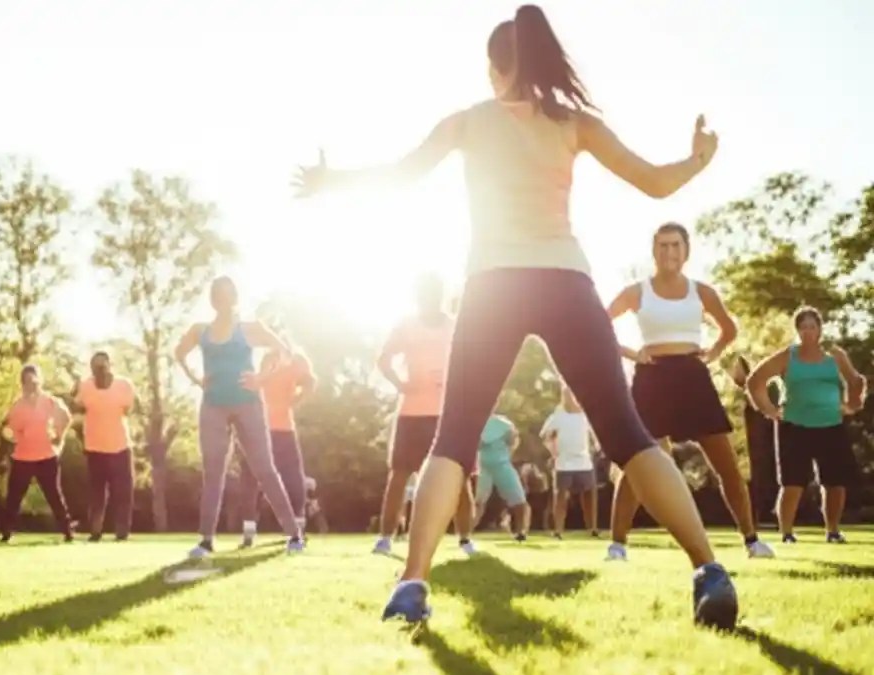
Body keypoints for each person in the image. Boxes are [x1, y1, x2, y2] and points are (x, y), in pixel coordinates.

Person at [295, 4, 739, 628]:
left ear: (492, 69)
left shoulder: (469, 122)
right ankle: (709, 570)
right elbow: (657, 183)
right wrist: (699, 159)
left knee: (452, 438)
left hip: (494, 285)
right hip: (565, 281)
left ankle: (412, 584)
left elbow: (399, 177)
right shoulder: (572, 122)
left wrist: (329, 181)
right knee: (627, 432)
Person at [605, 222, 773, 561]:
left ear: (686, 251)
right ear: (654, 251)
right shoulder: (637, 291)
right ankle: (618, 545)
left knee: (726, 465)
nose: (670, 252)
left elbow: (729, 329)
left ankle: (752, 541)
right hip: (651, 379)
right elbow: (599, 322)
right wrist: (631, 352)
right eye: (663, 246)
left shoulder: (702, 292)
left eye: (676, 246)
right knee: (638, 464)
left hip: (693, 378)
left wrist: (711, 354)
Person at [173, 276, 305, 558]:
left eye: (227, 295)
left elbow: (285, 351)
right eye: (217, 295)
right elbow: (179, 353)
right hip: (213, 406)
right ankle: (206, 540)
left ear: (234, 298)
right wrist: (197, 379)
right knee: (213, 473)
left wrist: (262, 378)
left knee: (265, 469)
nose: (223, 300)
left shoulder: (249, 329)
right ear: (212, 300)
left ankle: (294, 534)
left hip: (248, 405)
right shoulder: (200, 331)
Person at [746, 306, 866, 544]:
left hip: (831, 425)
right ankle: (787, 533)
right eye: (803, 327)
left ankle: (833, 531)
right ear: (798, 330)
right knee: (792, 483)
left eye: (813, 326)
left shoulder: (835, 355)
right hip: (794, 426)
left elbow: (856, 380)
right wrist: (768, 409)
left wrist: (852, 404)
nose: (808, 332)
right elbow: (754, 380)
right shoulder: (786, 356)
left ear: (820, 329)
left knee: (835, 482)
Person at [375, 275, 475, 557]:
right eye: (424, 293)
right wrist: (401, 384)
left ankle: (465, 540)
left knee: (460, 476)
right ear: (417, 295)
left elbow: (470, 364)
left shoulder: (456, 327)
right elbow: (383, 360)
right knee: (399, 475)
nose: (428, 297)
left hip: (449, 414)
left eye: (433, 292)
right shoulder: (406, 325)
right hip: (411, 413)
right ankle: (385, 539)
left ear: (440, 294)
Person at [237, 341, 316, 548]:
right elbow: (310, 383)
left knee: (288, 477)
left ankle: (294, 526)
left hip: (275, 428)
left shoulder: (293, 359)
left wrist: (294, 401)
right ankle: (250, 530)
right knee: (253, 478)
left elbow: (309, 383)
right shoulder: (268, 359)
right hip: (262, 426)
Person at [1, 365, 74, 543]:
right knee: (14, 497)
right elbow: (9, 429)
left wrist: (59, 438)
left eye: (34, 381)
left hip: (47, 456)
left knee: (54, 495)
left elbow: (66, 418)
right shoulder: (18, 406)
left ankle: (67, 531)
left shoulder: (50, 402)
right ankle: (6, 532)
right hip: (23, 458)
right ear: (22, 384)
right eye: (27, 382)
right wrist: (12, 436)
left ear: (39, 381)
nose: (31, 386)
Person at [75, 351, 137, 542]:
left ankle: (122, 532)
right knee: (96, 493)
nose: (99, 370)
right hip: (95, 447)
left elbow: (129, 409)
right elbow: (79, 407)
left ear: (110, 365)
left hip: (120, 446)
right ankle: (95, 531)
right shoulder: (85, 386)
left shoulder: (124, 385)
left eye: (102, 365)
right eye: (95, 366)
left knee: (123, 492)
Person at [541, 387, 600, 539]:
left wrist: (598, 446)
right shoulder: (558, 416)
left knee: (589, 494)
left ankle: (592, 528)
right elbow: (546, 436)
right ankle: (558, 530)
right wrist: (553, 452)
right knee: (560, 495)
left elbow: (594, 434)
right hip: (564, 463)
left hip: (584, 461)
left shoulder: (585, 416)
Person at [730, 354, 782, 527]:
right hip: (742, 448)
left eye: (737, 368)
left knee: (763, 479)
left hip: (760, 447)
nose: (733, 373)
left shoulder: (758, 390)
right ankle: (752, 518)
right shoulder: (730, 396)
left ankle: (768, 516)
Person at [474, 413, 529, 541]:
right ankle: (467, 533)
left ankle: (521, 532)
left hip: (502, 465)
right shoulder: (476, 422)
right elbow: (477, 443)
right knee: (478, 501)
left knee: (519, 499)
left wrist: (510, 448)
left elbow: (514, 438)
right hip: (483, 467)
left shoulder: (503, 423)